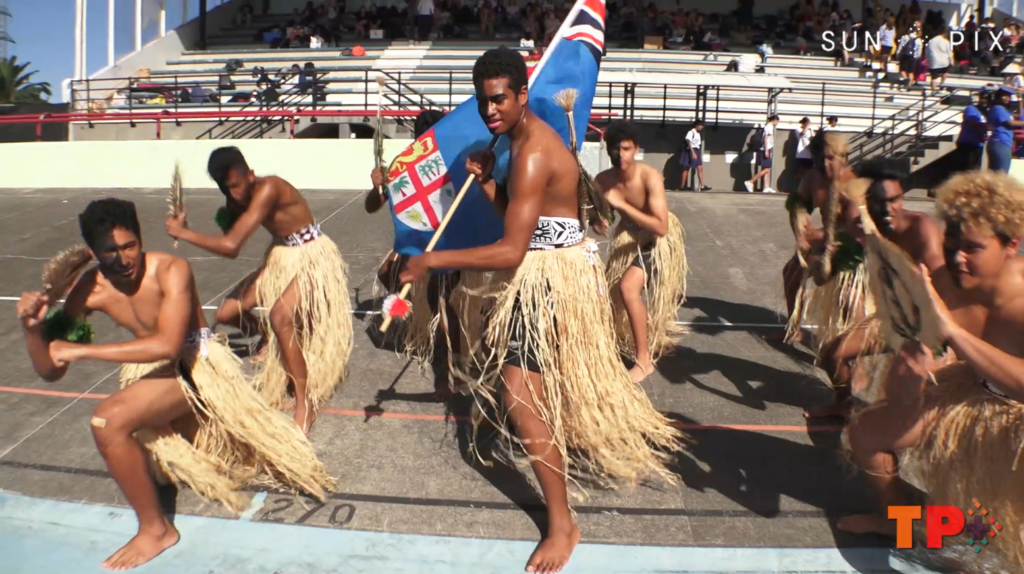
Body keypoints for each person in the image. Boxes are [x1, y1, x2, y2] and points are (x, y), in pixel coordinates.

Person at [399, 46, 682, 574]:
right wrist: (486, 184)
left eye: (499, 100)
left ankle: (562, 523)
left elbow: (511, 249)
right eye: (484, 102)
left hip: (551, 281)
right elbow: (521, 225)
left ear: (522, 94)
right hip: (552, 269)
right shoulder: (517, 144)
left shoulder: (530, 151)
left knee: (518, 395)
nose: (490, 112)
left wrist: (431, 259)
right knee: (532, 391)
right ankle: (561, 494)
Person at [18, 199, 334, 570]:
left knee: (107, 419)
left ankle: (157, 531)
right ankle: (156, 512)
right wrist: (33, 332)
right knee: (113, 425)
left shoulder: (171, 270)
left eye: (129, 245)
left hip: (196, 366)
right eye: (110, 251)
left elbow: (168, 345)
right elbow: (51, 370)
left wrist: (81, 352)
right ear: (93, 252)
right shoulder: (89, 290)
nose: (122, 258)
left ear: (139, 238)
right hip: (152, 372)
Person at [838, 171, 1024, 568]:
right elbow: (919, 354)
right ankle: (900, 521)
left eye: (972, 248)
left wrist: (953, 334)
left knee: (986, 531)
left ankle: (986, 533)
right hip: (976, 392)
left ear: (1011, 245)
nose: (957, 257)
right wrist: (911, 372)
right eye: (952, 245)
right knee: (866, 433)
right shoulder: (949, 282)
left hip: (1019, 422)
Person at [165, 147, 352, 434]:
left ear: (251, 175)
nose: (236, 194)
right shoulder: (236, 199)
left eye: (238, 185)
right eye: (228, 189)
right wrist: (188, 224)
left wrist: (183, 234)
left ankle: (305, 402)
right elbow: (227, 233)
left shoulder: (269, 188)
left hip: (312, 257)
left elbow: (231, 247)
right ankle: (271, 340)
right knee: (227, 312)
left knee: (281, 316)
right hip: (282, 256)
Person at [802, 159, 945, 419]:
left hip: (933, 320)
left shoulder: (922, 229)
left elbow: (945, 288)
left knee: (918, 390)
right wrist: (820, 259)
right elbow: (824, 275)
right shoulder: (864, 229)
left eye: (895, 200)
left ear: (903, 196)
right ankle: (844, 405)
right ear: (867, 200)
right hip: (894, 318)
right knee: (832, 356)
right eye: (879, 201)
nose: (888, 209)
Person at [367, 109, 458, 397]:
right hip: (414, 243)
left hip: (450, 244)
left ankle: (447, 366)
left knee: (446, 307)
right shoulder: (402, 167)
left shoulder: (456, 159)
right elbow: (372, 206)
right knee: (387, 273)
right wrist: (377, 187)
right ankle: (413, 320)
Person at [597, 121, 688, 383]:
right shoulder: (603, 180)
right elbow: (601, 218)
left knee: (628, 289)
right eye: (615, 149)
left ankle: (644, 361)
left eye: (626, 148)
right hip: (628, 238)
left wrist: (622, 204)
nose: (620, 155)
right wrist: (600, 220)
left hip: (657, 242)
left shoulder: (650, 176)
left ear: (636, 148)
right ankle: (628, 339)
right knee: (613, 294)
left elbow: (660, 226)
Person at [772, 132, 853, 344]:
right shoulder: (813, 179)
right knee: (791, 273)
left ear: (842, 156)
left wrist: (822, 236)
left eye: (830, 158)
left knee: (847, 294)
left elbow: (860, 229)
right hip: (826, 244)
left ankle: (848, 344)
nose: (824, 163)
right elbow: (797, 205)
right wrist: (801, 233)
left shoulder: (854, 182)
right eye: (820, 158)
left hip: (855, 249)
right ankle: (794, 327)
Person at [949, 88, 990, 176]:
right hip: (967, 144)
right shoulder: (971, 109)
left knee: (975, 170)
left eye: (987, 99)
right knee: (965, 171)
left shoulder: (987, 113)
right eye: (983, 98)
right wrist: (987, 126)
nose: (984, 101)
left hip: (978, 145)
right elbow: (973, 123)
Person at [985, 86, 1024, 173]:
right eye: (1004, 95)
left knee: (995, 173)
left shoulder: (1004, 110)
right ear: (999, 96)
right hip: (1000, 142)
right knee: (1001, 173)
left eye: (1009, 96)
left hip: (1001, 143)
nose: (1007, 98)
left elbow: (1019, 116)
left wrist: (1020, 98)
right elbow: (1011, 123)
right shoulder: (998, 108)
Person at [745, 114, 779, 193]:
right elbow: (766, 138)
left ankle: (766, 187)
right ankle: (750, 181)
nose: (777, 123)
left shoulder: (768, 126)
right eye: (777, 121)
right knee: (767, 168)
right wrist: (766, 150)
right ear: (774, 120)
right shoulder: (769, 127)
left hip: (765, 149)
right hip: (764, 149)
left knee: (766, 168)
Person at [679, 119, 711, 191]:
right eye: (701, 125)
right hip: (691, 150)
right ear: (697, 125)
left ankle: (702, 186)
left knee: (700, 168)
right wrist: (692, 152)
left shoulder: (698, 133)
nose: (701, 127)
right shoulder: (691, 132)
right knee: (686, 168)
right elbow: (688, 141)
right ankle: (682, 186)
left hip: (696, 150)